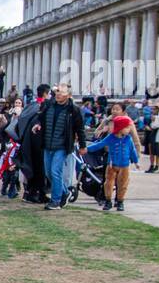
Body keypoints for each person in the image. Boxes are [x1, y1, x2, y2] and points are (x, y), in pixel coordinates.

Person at [34, 82, 85, 210]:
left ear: (68, 95)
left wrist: (83, 146)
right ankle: (65, 192)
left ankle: (55, 200)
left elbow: (80, 129)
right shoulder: (49, 105)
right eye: (57, 92)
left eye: (61, 93)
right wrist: (38, 124)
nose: (58, 95)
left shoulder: (74, 110)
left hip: (62, 146)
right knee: (49, 173)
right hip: (47, 143)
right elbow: (41, 117)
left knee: (56, 172)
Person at [86, 114, 141, 212]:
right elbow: (99, 144)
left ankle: (120, 201)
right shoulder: (111, 137)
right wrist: (87, 149)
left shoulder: (128, 139)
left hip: (124, 166)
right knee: (108, 183)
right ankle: (108, 201)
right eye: (127, 127)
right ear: (120, 128)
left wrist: (136, 161)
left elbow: (132, 151)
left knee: (123, 184)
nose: (129, 129)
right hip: (112, 165)